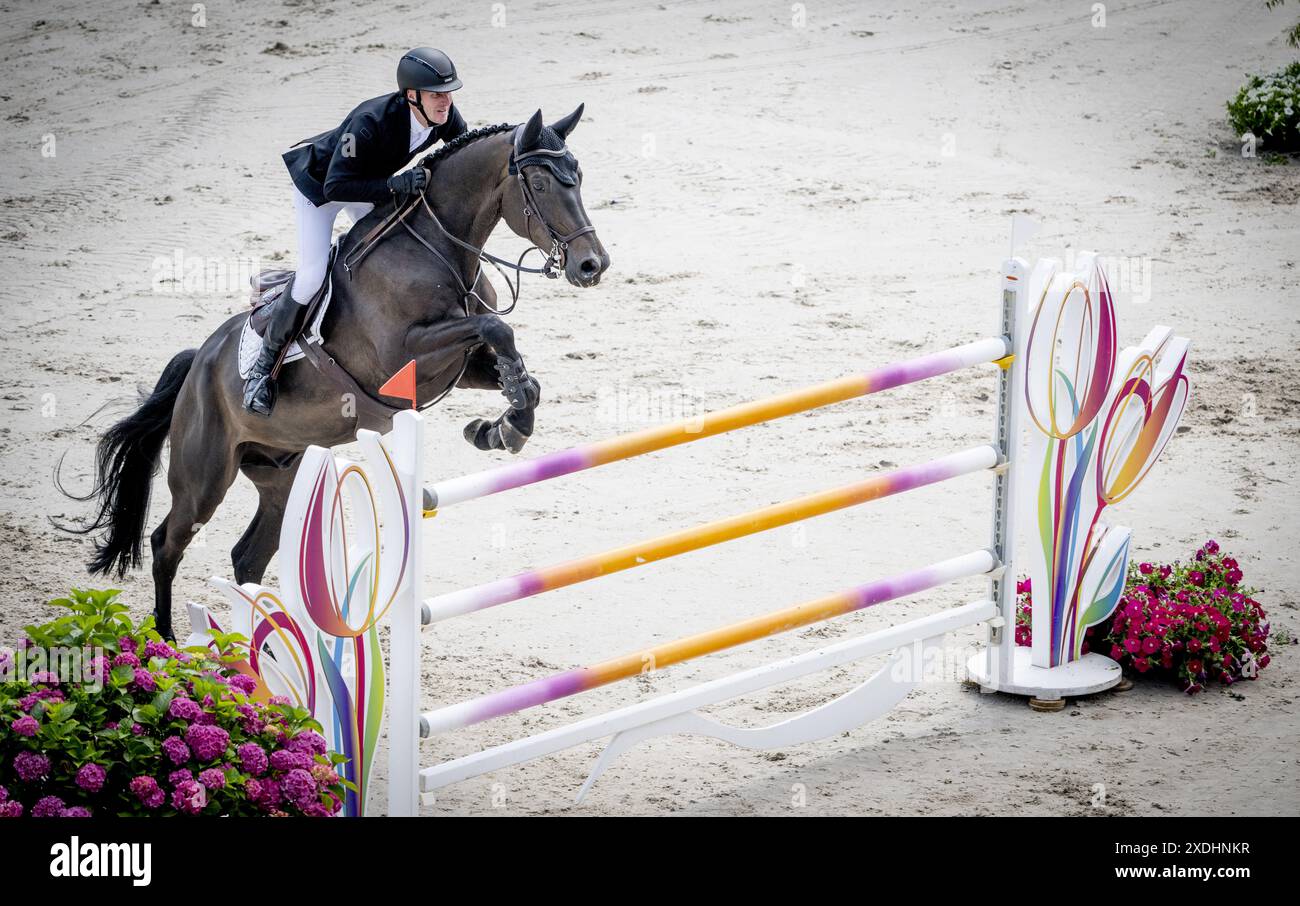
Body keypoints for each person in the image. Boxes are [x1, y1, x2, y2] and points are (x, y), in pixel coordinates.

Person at [243, 47, 469, 416]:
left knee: (398, 244)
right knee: (312, 277)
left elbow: (462, 153)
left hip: (365, 181)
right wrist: (395, 185)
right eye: (435, 95)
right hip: (320, 190)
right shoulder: (370, 122)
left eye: (448, 94)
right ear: (412, 96)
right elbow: (337, 187)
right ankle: (262, 369)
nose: (445, 102)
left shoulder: (443, 115)